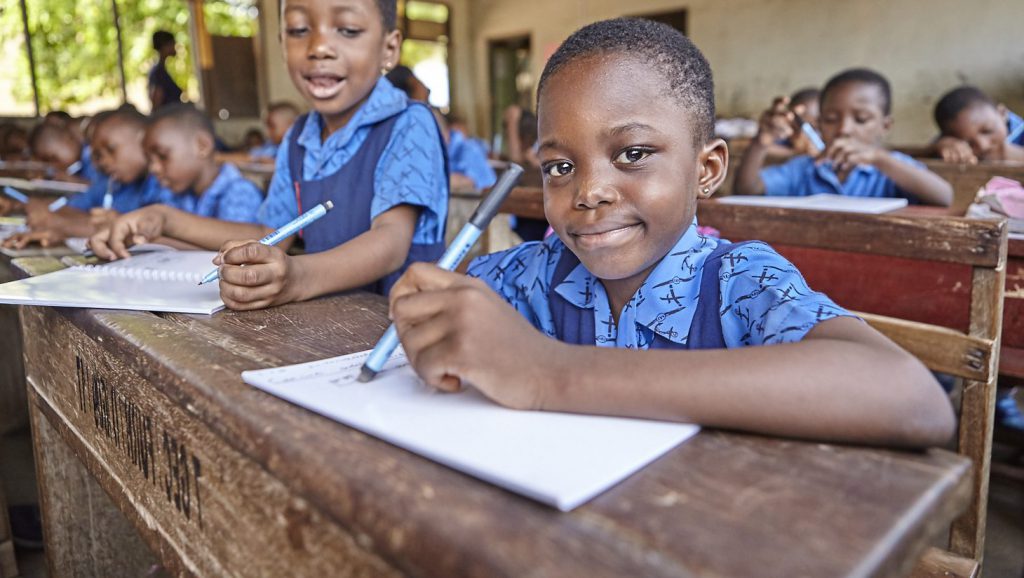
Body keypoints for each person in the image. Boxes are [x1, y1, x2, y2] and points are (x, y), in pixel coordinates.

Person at [386, 18, 955, 448]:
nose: (590, 192)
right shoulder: (520, 277)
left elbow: (912, 397)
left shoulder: (742, 283)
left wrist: (545, 372)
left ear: (706, 170)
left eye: (632, 154)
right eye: (560, 166)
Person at [89, 0, 449, 310]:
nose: (319, 46)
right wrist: (164, 219)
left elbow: (390, 242)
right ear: (280, 43)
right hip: (324, 328)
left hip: (398, 330)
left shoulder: (409, 122)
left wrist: (297, 278)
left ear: (389, 48)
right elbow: (270, 232)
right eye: (298, 30)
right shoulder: (298, 138)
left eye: (349, 29)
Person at [734, 68, 953, 206]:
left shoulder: (890, 168)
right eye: (830, 119)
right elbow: (746, 190)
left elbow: (944, 196)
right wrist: (760, 143)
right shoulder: (806, 169)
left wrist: (879, 158)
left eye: (861, 119)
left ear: (885, 126)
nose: (844, 129)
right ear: (818, 124)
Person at [144, 104, 262, 222]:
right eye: (150, 160)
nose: (154, 168)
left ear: (202, 146)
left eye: (162, 156)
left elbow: (239, 239)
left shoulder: (240, 192)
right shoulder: (175, 192)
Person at [931, 85, 1024, 163]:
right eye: (969, 143)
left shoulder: (1021, 131)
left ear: (1002, 113)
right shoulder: (951, 142)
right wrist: (936, 148)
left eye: (987, 131)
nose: (983, 145)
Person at [149, 30, 184, 110]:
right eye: (172, 44)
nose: (175, 46)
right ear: (164, 47)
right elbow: (156, 103)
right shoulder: (159, 73)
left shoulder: (161, 71)